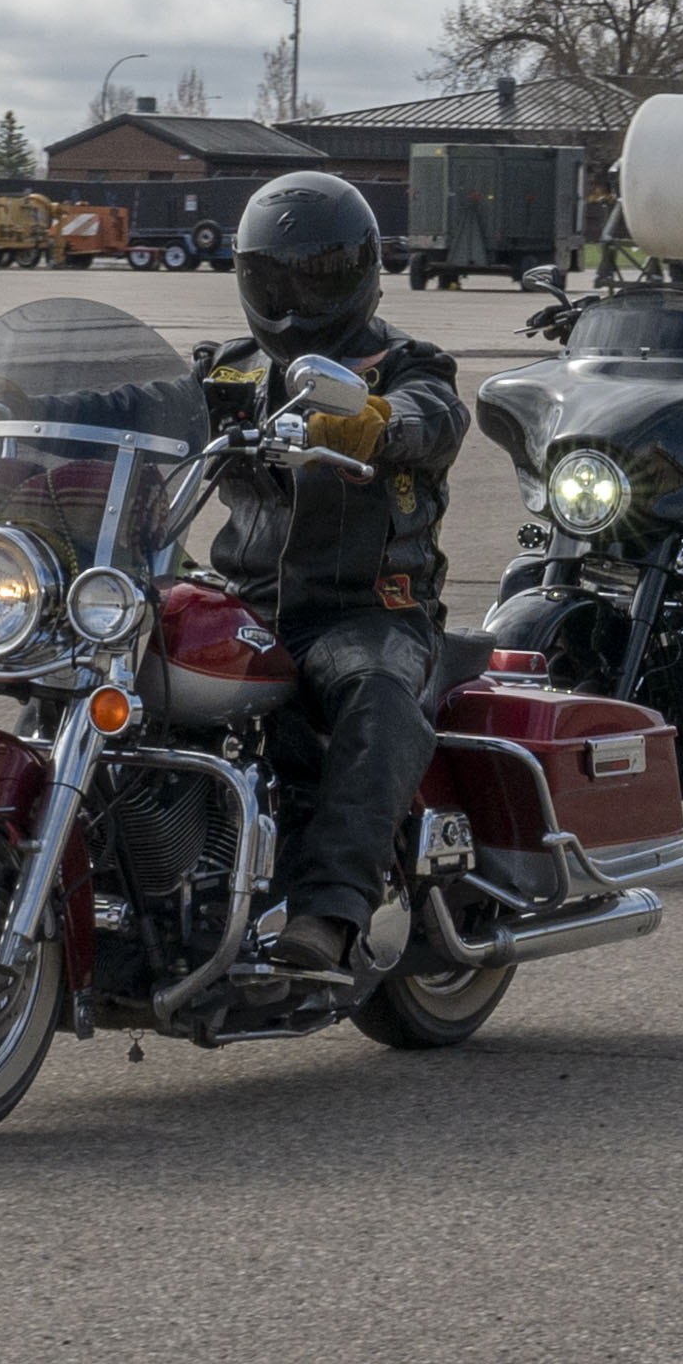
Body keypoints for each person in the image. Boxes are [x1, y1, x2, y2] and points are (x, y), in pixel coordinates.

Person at [198, 171, 469, 972]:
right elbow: (147, 425)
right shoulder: (228, 370)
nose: (292, 295)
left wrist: (377, 423)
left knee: (377, 692)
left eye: (314, 274)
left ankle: (330, 909)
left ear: (360, 271)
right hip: (248, 606)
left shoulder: (407, 368)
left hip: (364, 615)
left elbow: (434, 420)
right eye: (272, 276)